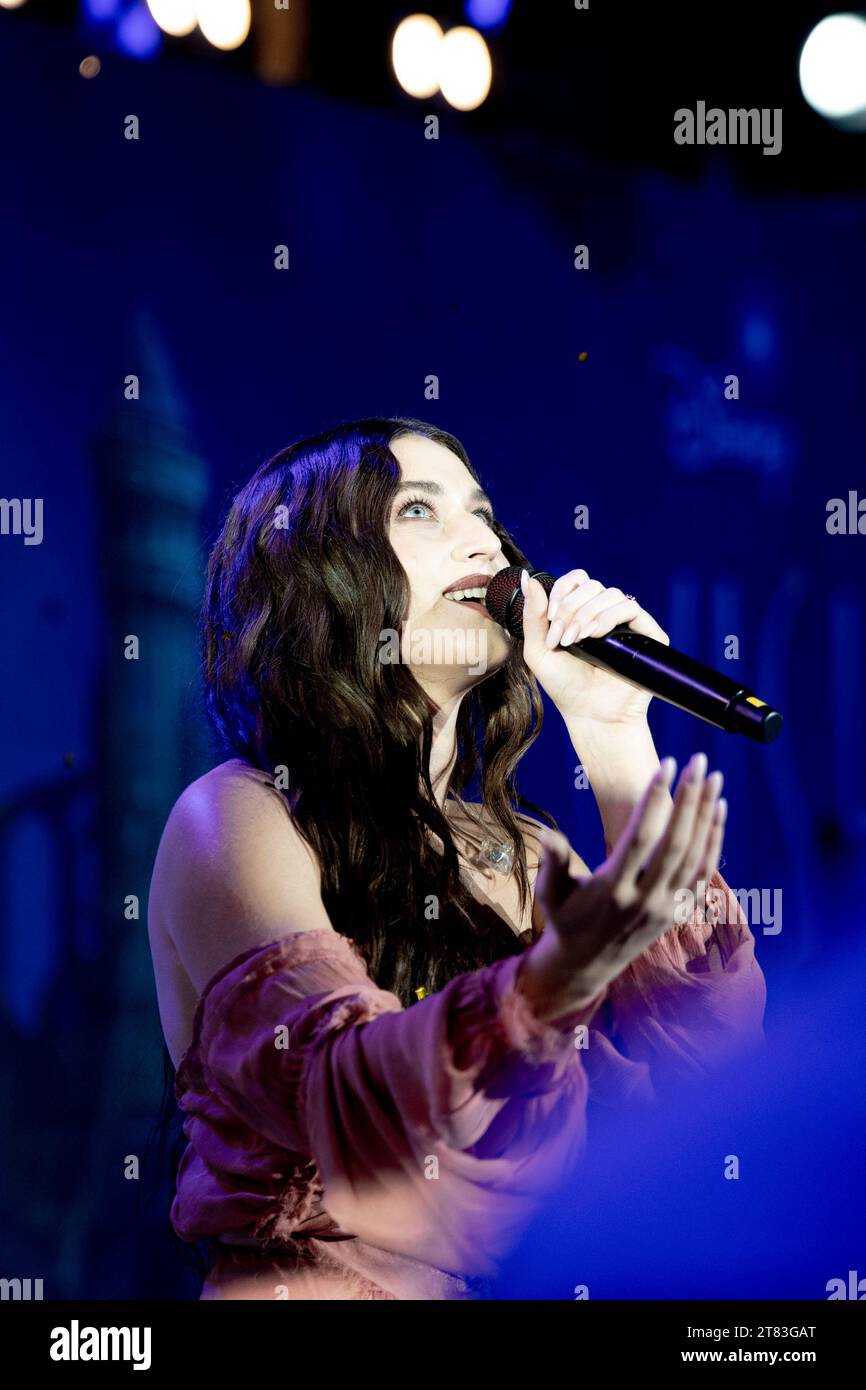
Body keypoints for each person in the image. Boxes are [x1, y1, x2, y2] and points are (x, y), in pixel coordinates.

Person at [146, 416, 766, 1300]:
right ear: (320, 577)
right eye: (420, 511)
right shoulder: (237, 816)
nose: (481, 539)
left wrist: (613, 732)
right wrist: (548, 986)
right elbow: (348, 1103)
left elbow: (712, 1077)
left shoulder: (520, 851)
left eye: (483, 513)